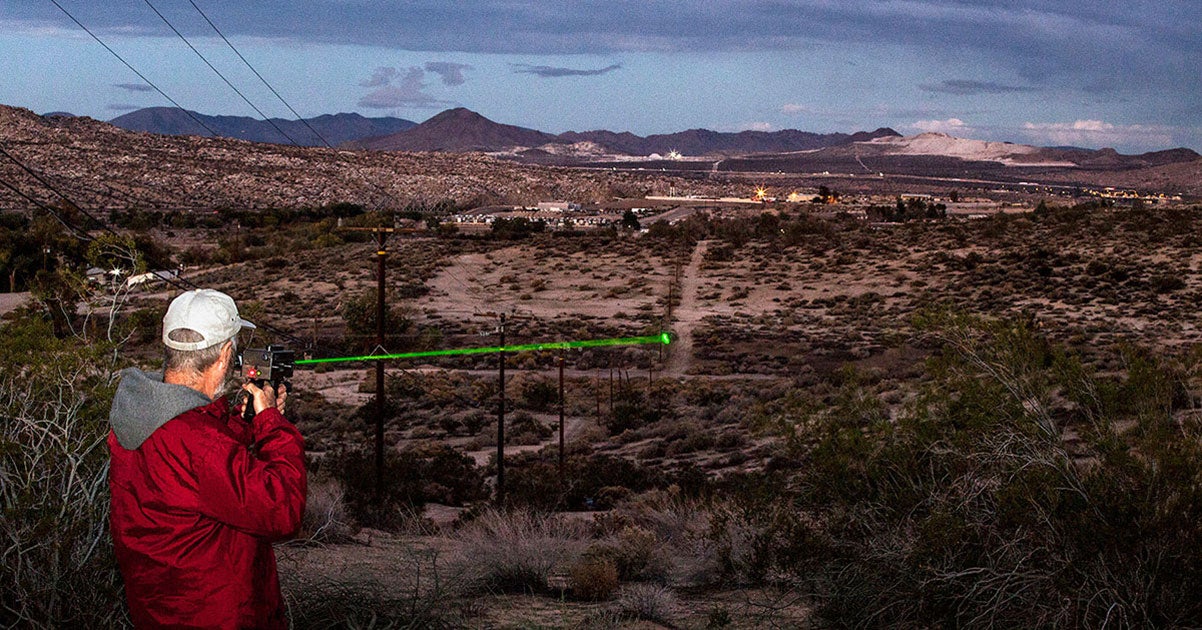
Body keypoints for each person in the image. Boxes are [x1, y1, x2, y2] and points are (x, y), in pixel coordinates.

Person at [108, 289, 306, 628]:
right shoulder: (198, 443)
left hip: (161, 612)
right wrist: (272, 425)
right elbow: (283, 508)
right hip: (218, 616)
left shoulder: (141, 413)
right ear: (225, 354)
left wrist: (246, 424)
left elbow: (199, 480)